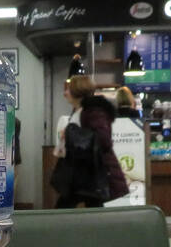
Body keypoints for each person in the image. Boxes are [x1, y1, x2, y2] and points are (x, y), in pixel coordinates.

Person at [51, 75, 128, 207]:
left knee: (66, 207)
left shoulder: (92, 111)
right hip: (85, 172)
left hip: (91, 172)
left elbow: (104, 139)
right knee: (91, 209)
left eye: (68, 89)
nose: (65, 93)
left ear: (77, 91)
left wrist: (70, 134)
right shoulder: (82, 111)